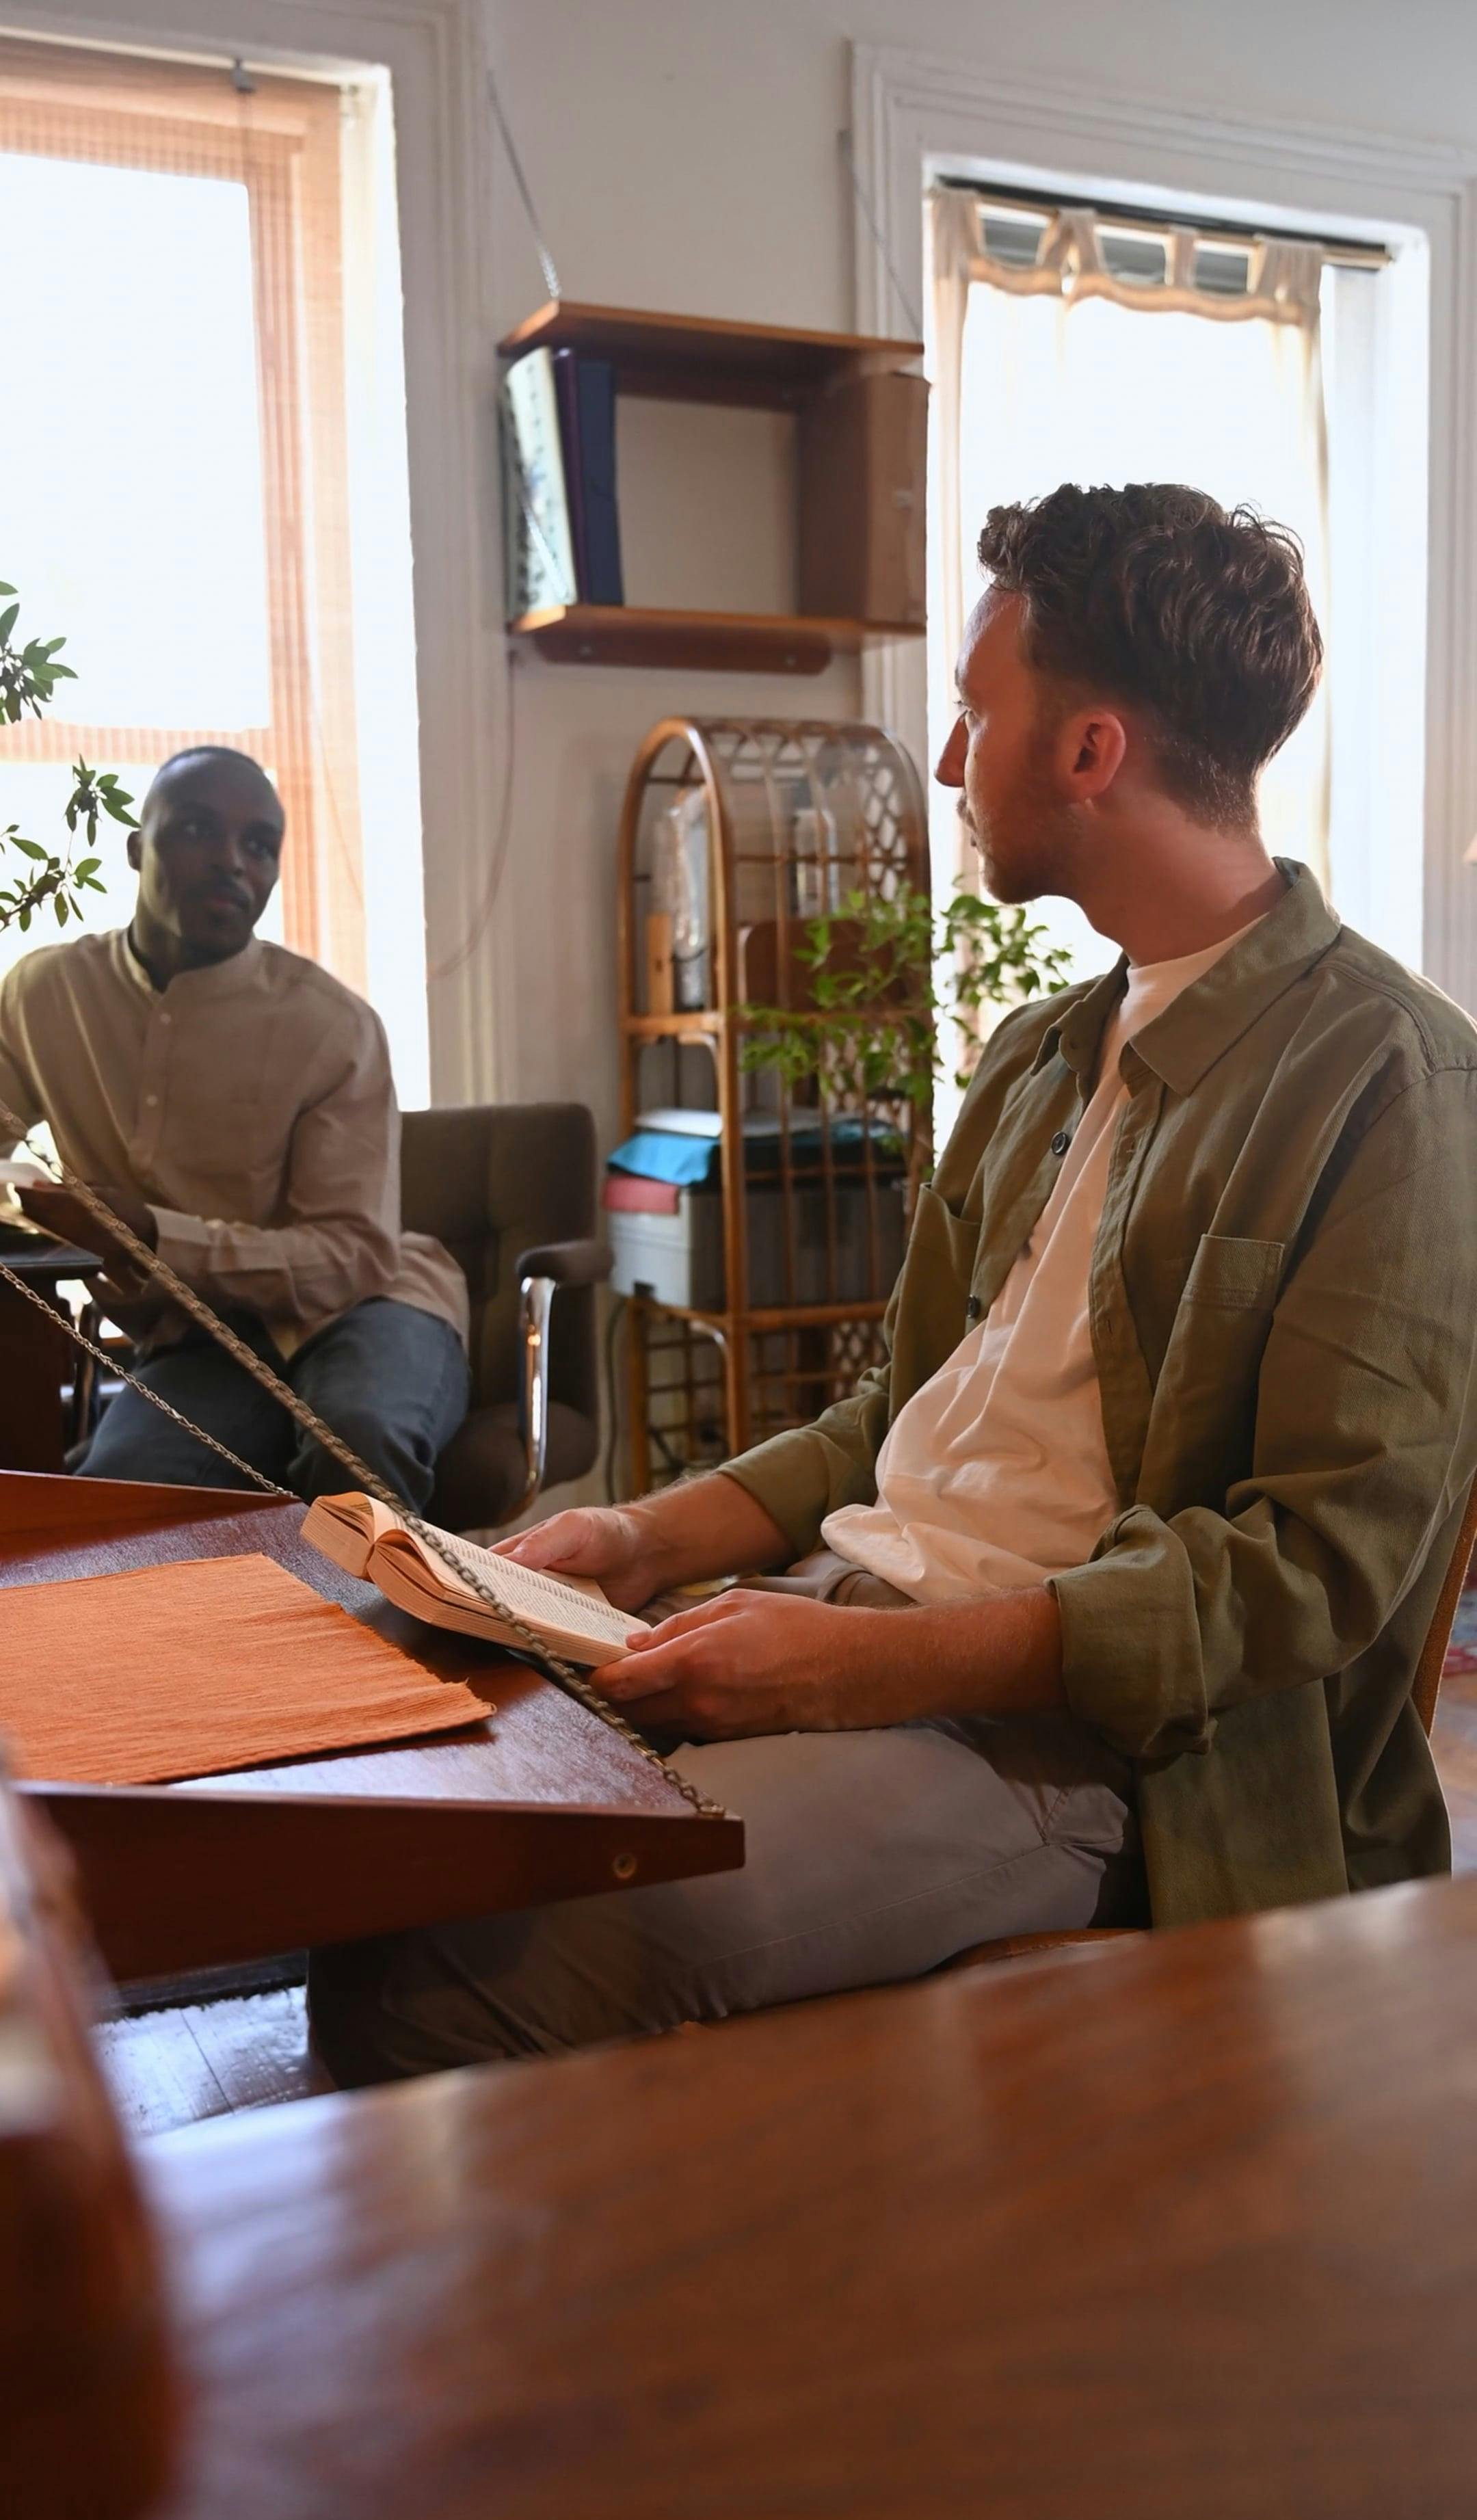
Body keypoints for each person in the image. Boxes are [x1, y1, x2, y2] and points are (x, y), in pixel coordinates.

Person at [307, 482, 1477, 2086]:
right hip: (842, 1620)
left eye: (972, 712)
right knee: (386, 1811)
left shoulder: (1393, 1084)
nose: (946, 763)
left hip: (1118, 1756)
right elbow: (890, 1418)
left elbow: (1311, 1577)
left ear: (1090, 751)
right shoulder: (1039, 1055)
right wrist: (636, 1539)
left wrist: (856, 1669)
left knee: (469, 1961)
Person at [0, 745, 469, 1511]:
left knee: (359, 1443)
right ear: (136, 848)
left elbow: (351, 1256)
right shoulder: (44, 995)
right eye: (196, 830)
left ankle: (372, 1601)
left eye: (259, 844)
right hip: (198, 1338)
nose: (231, 861)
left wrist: (154, 1234)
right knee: (113, 1508)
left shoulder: (332, 1024)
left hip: (369, 1309)